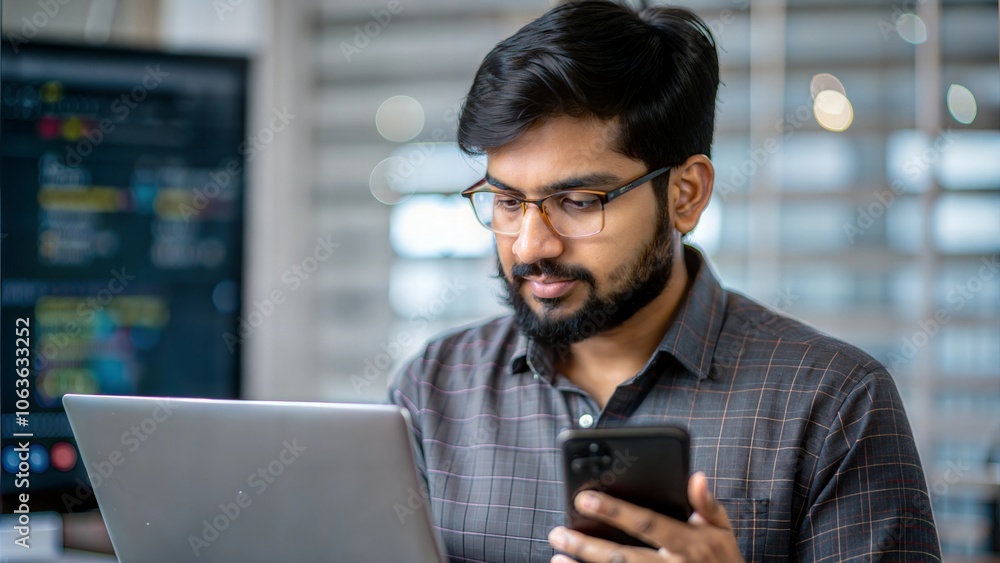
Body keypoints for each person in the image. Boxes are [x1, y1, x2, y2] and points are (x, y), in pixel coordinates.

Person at [389, 1, 941, 561]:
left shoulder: (833, 404)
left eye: (579, 201)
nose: (531, 246)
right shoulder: (432, 392)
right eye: (507, 201)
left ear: (686, 195)